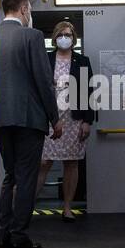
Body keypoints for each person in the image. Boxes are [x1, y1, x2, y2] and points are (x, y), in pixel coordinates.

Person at [0, 0, 61, 248]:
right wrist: (54, 118)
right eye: (30, 10)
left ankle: (2, 235)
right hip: (28, 119)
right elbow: (44, 81)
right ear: (24, 10)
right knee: (26, 178)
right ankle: (19, 235)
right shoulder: (32, 37)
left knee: (10, 175)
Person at [37, 20, 94, 220]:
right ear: (55, 38)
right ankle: (26, 206)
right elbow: (38, 87)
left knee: (72, 163)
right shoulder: (45, 58)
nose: (64, 38)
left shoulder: (82, 61)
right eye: (61, 34)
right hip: (50, 119)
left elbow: (89, 92)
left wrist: (88, 121)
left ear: (74, 38)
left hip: (74, 119)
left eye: (68, 35)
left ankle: (67, 207)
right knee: (43, 162)